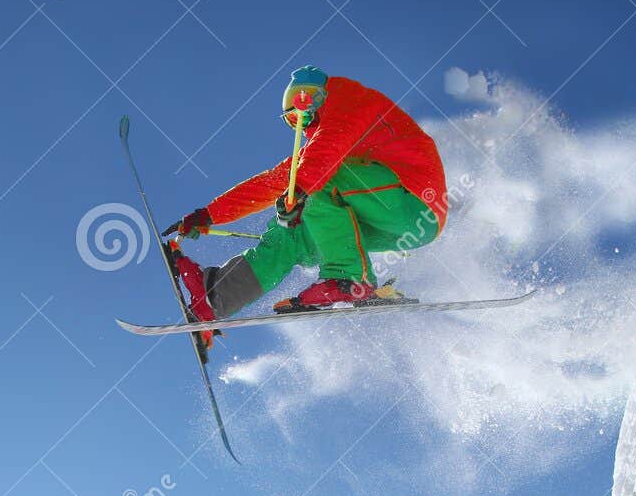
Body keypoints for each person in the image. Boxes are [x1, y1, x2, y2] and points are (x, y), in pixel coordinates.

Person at [168, 66, 447, 326]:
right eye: (292, 117)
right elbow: (273, 181)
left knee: (309, 188)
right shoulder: (317, 157)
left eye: (304, 99)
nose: (302, 115)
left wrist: (300, 191)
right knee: (290, 232)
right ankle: (216, 297)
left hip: (415, 201)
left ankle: (347, 280)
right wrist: (209, 214)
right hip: (382, 220)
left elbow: (328, 147)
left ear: (320, 93)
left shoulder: (349, 99)